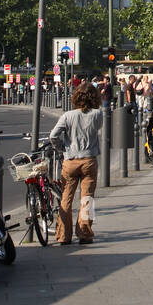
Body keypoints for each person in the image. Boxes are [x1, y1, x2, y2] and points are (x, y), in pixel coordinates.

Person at [50, 82, 103, 244]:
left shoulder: (67, 116)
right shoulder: (97, 114)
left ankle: (63, 235)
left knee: (66, 197)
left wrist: (62, 149)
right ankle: (85, 232)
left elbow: (53, 135)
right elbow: (96, 130)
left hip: (70, 160)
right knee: (87, 198)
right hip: (89, 160)